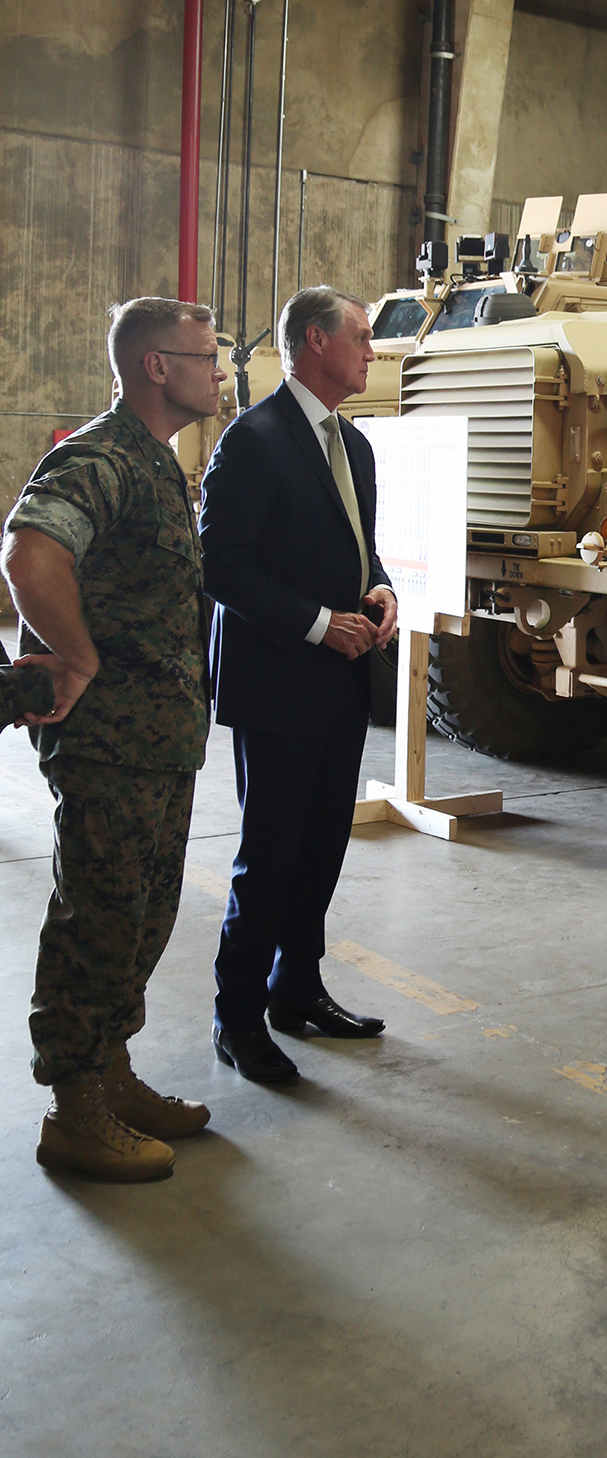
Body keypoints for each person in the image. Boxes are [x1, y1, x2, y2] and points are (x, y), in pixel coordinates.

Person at [1, 296, 222, 1181]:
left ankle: (110, 1069)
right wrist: (75, 655)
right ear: (155, 367)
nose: (219, 371)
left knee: (141, 914)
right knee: (98, 915)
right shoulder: (102, 455)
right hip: (110, 742)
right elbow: (30, 554)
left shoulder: (156, 462)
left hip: (160, 740)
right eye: (205, 357)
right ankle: (74, 1105)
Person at [200, 286, 397, 1084]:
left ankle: (297, 991)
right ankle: (238, 1018)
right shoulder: (254, 440)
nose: (372, 351)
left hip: (340, 684)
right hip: (281, 681)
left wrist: (378, 590)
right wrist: (319, 622)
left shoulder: (354, 445)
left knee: (320, 849)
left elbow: (359, 550)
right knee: (268, 858)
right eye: (360, 336)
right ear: (315, 342)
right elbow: (222, 566)